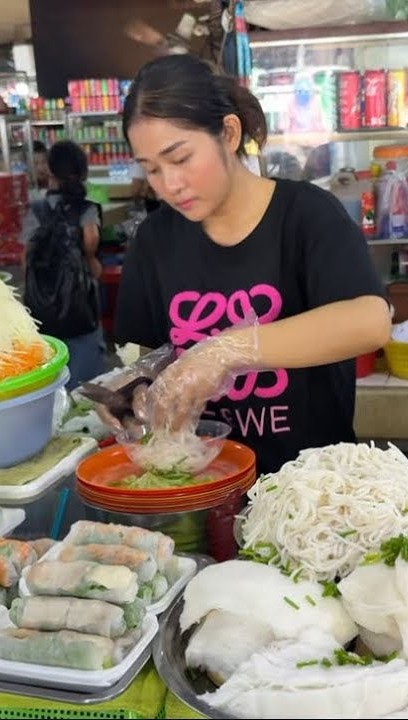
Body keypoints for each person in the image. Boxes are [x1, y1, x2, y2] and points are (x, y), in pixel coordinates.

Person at [111, 55, 391, 474]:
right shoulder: (155, 239)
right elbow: (148, 356)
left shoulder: (307, 215)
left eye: (181, 158)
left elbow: (369, 321)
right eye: (151, 169)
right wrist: (131, 392)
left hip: (309, 487)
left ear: (228, 132)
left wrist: (226, 351)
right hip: (201, 483)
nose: (170, 185)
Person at [24, 140, 108, 388]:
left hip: (41, 307)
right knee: (86, 377)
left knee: (49, 369)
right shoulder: (88, 209)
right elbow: (91, 242)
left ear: (49, 172)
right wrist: (91, 263)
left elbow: (25, 254)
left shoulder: (36, 209)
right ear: (84, 173)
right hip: (81, 306)